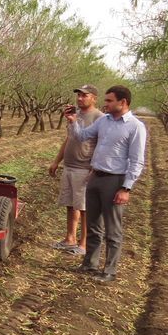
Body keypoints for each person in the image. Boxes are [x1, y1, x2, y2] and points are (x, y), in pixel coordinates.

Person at [66, 85, 147, 283]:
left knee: (113, 229)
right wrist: (73, 122)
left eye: (110, 100)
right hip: (95, 177)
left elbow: (137, 161)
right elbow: (82, 136)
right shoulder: (104, 120)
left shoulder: (135, 127)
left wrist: (126, 188)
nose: (106, 103)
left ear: (123, 102)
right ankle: (89, 264)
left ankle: (109, 271)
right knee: (93, 225)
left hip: (115, 180)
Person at [48, 85, 102, 255]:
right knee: (70, 204)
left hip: (84, 168)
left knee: (84, 207)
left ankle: (83, 244)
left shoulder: (99, 118)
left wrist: (95, 167)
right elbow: (69, 138)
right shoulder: (75, 115)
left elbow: (101, 144)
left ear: (94, 98)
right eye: (78, 95)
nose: (80, 99)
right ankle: (69, 238)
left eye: (84, 96)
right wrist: (57, 161)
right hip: (69, 166)